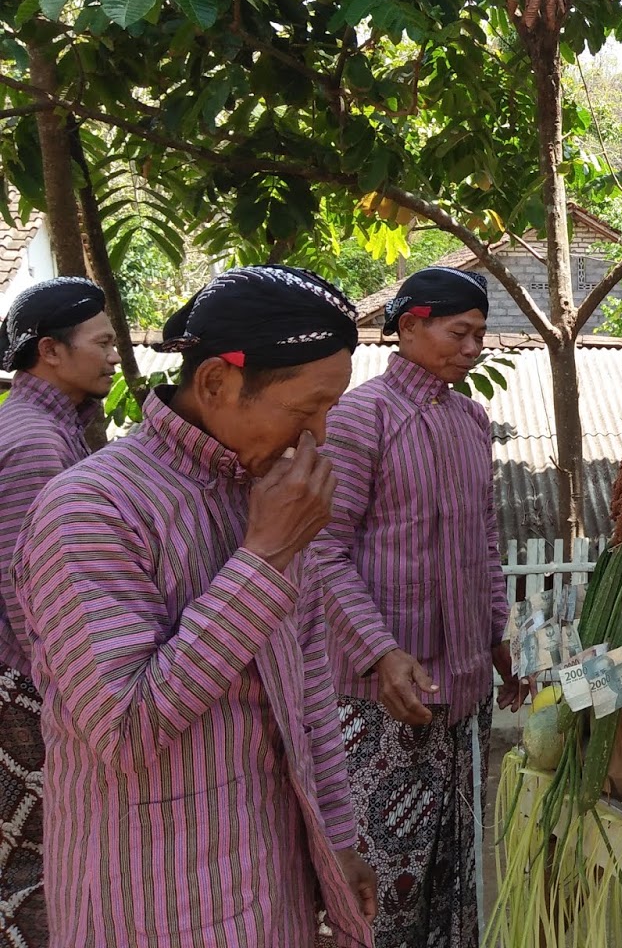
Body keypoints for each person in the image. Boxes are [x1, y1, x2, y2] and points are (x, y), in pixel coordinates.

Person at [14, 266, 378, 947]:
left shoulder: (266, 492)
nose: (320, 437)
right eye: (305, 411)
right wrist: (263, 560)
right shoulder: (92, 507)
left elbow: (309, 690)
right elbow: (122, 734)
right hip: (151, 897)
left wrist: (337, 842)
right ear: (215, 383)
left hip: (269, 882)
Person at [314, 266, 519, 947]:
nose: (473, 348)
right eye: (460, 332)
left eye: (481, 336)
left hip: (461, 691)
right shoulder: (359, 416)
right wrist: (379, 650)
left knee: (453, 871)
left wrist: (499, 636)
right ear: (409, 327)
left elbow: (484, 539)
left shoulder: (472, 420)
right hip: (382, 697)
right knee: (381, 883)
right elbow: (323, 552)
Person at [0, 277, 119, 944]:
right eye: (101, 342)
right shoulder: (37, 443)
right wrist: (67, 698)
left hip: (25, 684)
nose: (112, 355)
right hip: (23, 689)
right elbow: (30, 599)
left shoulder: (45, 428)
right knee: (38, 869)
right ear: (50, 350)